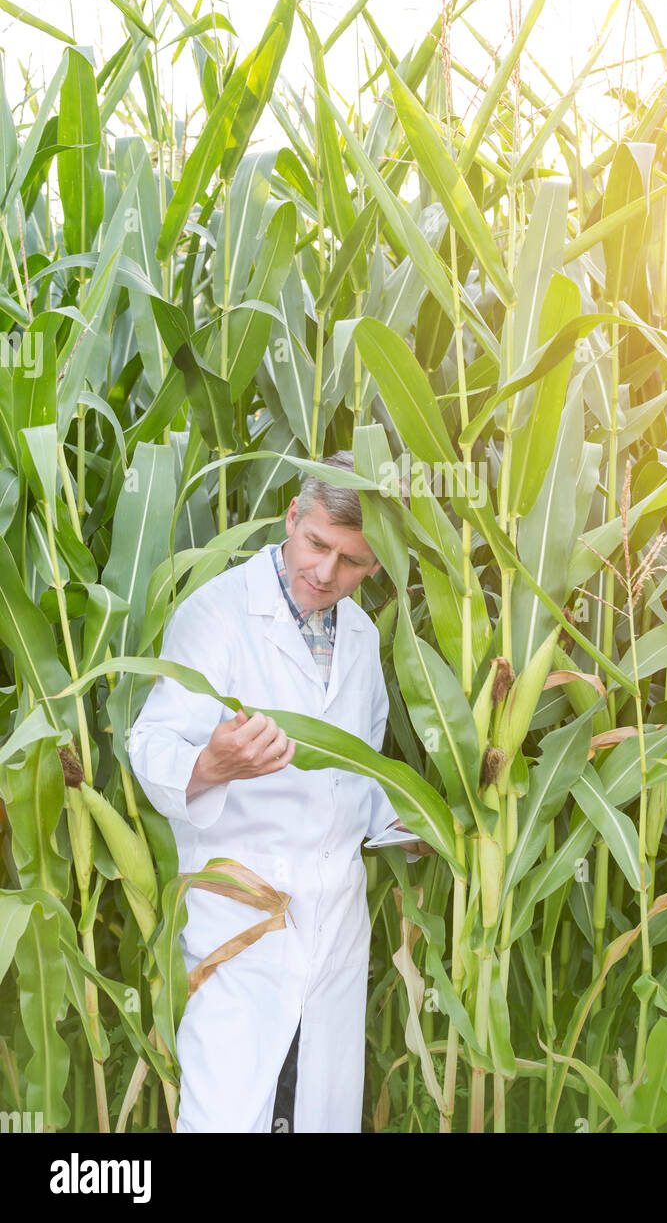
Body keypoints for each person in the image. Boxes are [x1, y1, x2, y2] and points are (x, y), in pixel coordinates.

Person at [128, 451, 425, 1133]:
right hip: (242, 930)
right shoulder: (218, 615)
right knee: (228, 1115)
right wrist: (211, 764)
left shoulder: (359, 637)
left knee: (319, 1114)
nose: (326, 573)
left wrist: (407, 826)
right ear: (293, 517)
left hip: (335, 933)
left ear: (377, 563)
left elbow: (359, 778)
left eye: (352, 561)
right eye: (317, 544)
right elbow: (150, 747)